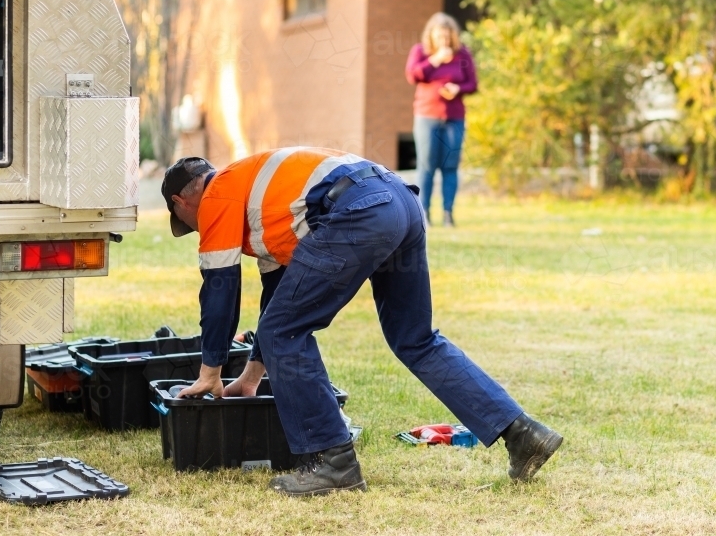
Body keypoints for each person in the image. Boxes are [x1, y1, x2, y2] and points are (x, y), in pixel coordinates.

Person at [163, 148, 562, 496]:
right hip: (398, 203)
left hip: (360, 211)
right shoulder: (259, 200)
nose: (195, 228)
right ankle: (522, 434)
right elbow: (278, 298)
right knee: (415, 339)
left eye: (186, 221)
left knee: (286, 330)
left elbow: (220, 290)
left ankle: (332, 463)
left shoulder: (218, 195)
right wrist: (251, 376)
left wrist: (210, 370)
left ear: (182, 201)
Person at [405, 12, 477, 227]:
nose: (444, 41)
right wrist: (435, 60)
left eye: (448, 37)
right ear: (432, 36)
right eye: (440, 37)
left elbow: (473, 84)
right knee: (427, 165)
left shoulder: (462, 54)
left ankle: (448, 213)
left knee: (450, 166)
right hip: (427, 116)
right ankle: (423, 214)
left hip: (454, 117)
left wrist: (458, 88)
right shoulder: (420, 52)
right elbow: (413, 75)